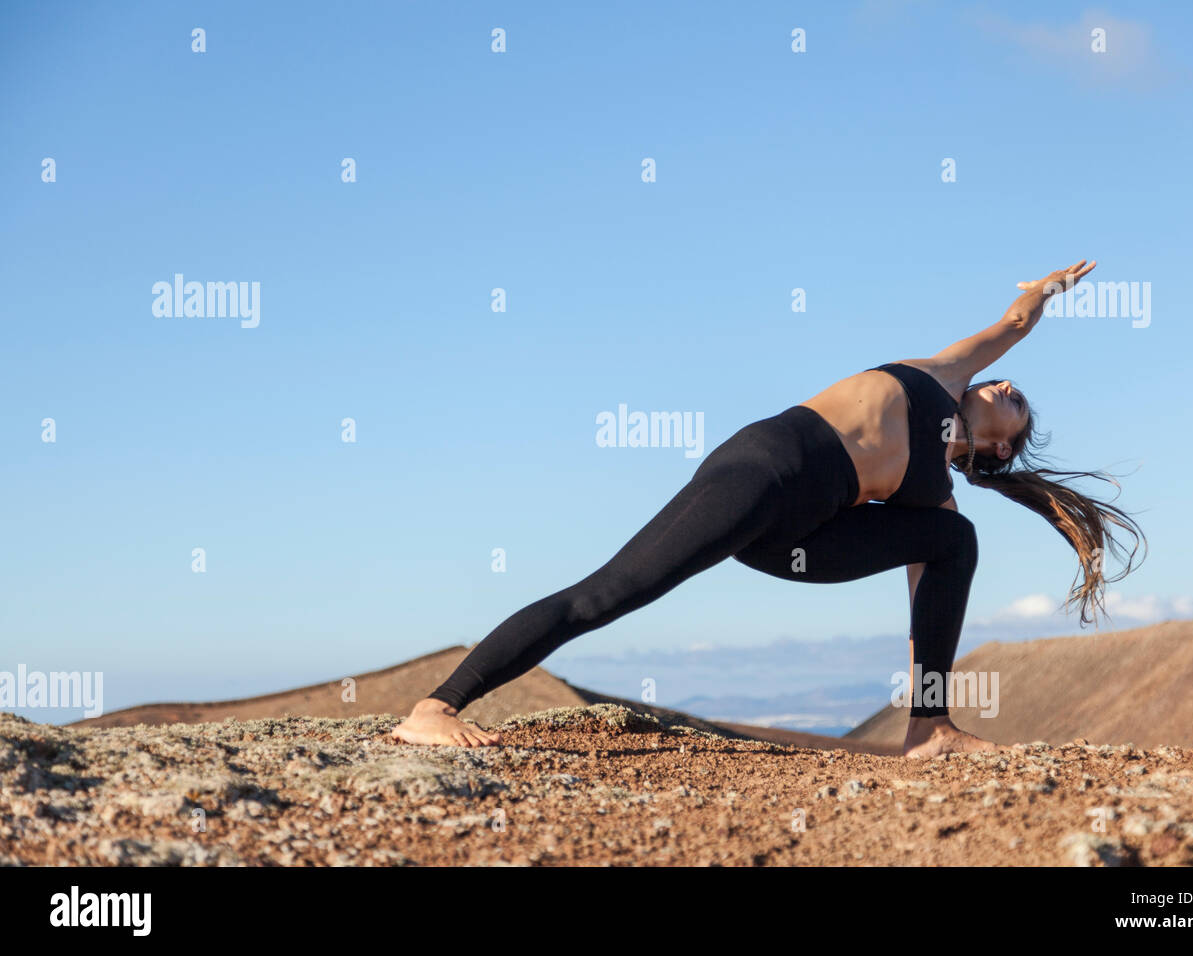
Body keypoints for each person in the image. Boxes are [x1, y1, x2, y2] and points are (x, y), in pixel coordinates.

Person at [392, 260, 1146, 757]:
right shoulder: (945, 375)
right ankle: (436, 706)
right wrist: (1045, 293)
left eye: (1016, 405)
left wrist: (927, 687)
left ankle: (928, 730)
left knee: (956, 542)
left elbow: (925, 605)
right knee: (611, 593)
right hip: (760, 474)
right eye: (1008, 386)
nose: (1008, 387)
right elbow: (1010, 326)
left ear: (994, 451)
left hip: (806, 537)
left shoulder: (935, 494)